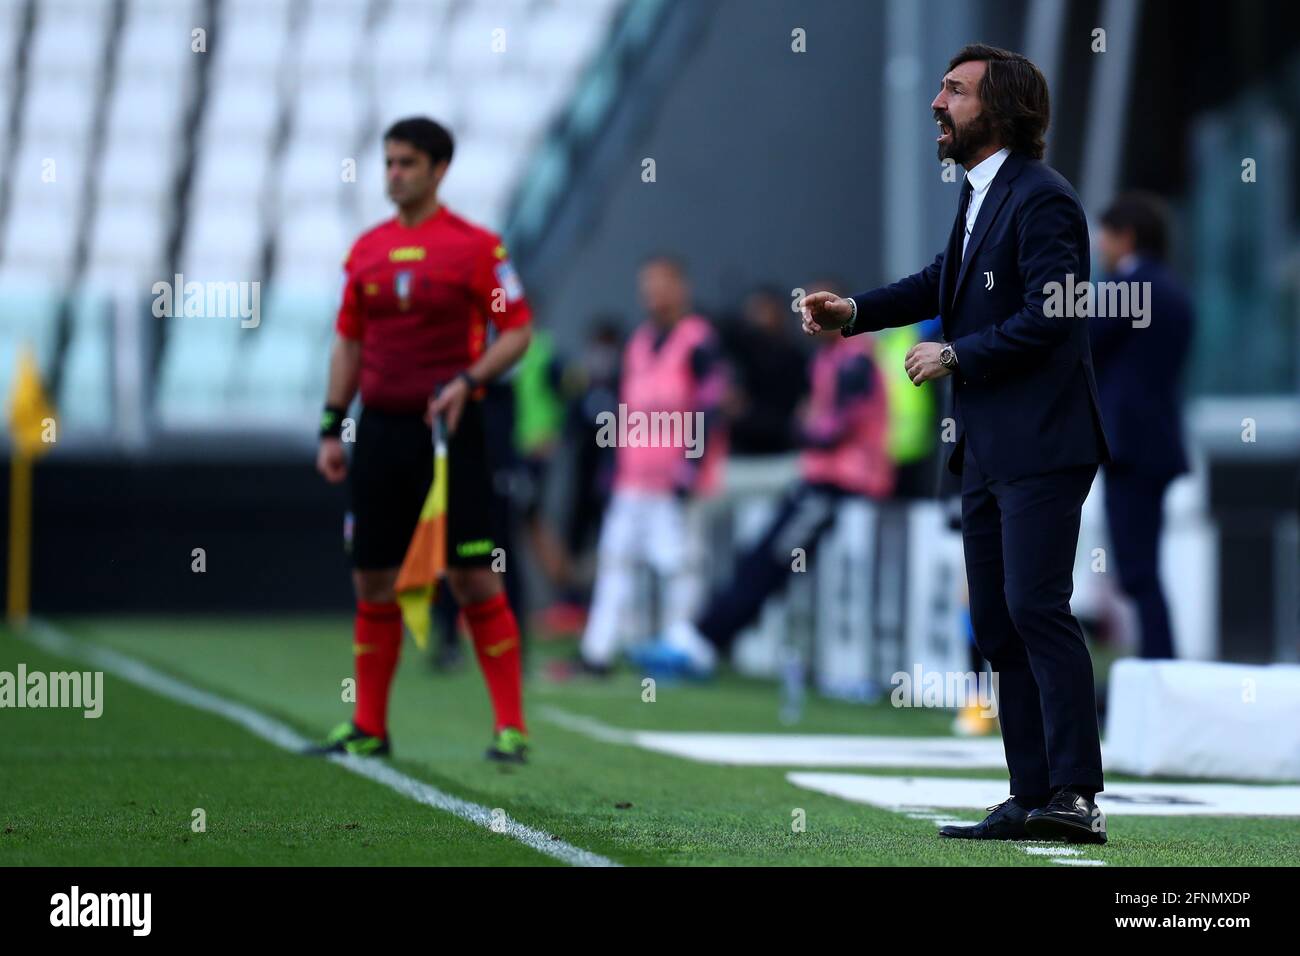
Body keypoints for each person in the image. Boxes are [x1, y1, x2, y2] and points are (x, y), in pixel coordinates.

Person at [800, 45, 1111, 844]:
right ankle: (1030, 791)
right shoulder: (984, 194)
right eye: (941, 89)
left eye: (955, 92)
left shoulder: (1044, 199)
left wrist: (958, 353)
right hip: (988, 448)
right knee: (1000, 626)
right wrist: (855, 314)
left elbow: (1057, 313)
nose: (938, 104)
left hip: (1042, 442)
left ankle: (1076, 794)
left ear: (1000, 110)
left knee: (1038, 609)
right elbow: (942, 281)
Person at [307, 117, 534, 762]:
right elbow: (348, 341)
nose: (394, 175)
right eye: (388, 163)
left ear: (439, 170)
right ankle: (369, 727)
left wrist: (470, 378)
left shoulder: (476, 249)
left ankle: (510, 728)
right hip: (380, 433)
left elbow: (517, 330)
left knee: (472, 579)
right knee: (372, 579)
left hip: (452, 434)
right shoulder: (367, 251)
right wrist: (331, 424)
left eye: (407, 163)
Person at [630, 283, 893, 678]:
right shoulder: (829, 358)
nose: (811, 320)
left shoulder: (855, 360)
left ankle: (702, 643)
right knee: (758, 557)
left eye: (820, 311)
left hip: (846, 484)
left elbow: (831, 429)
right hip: (820, 479)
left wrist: (801, 426)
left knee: (770, 560)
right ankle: (698, 638)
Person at [558, 256, 727, 676]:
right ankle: (596, 653)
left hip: (673, 480)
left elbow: (711, 404)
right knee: (614, 560)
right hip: (633, 477)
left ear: (680, 288)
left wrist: (691, 463)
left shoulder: (697, 340)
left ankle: (679, 651)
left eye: (660, 284)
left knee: (679, 567)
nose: (652, 293)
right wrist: (611, 464)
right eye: (646, 285)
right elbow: (624, 407)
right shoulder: (638, 342)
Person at [1091, 192, 1194, 659]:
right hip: (1157, 445)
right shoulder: (1174, 290)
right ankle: (1160, 665)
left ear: (1125, 237)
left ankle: (1159, 668)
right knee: (1143, 567)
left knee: (1137, 571)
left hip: (1131, 448)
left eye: (1105, 235)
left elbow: (1082, 344)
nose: (1099, 246)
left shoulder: (1129, 290)